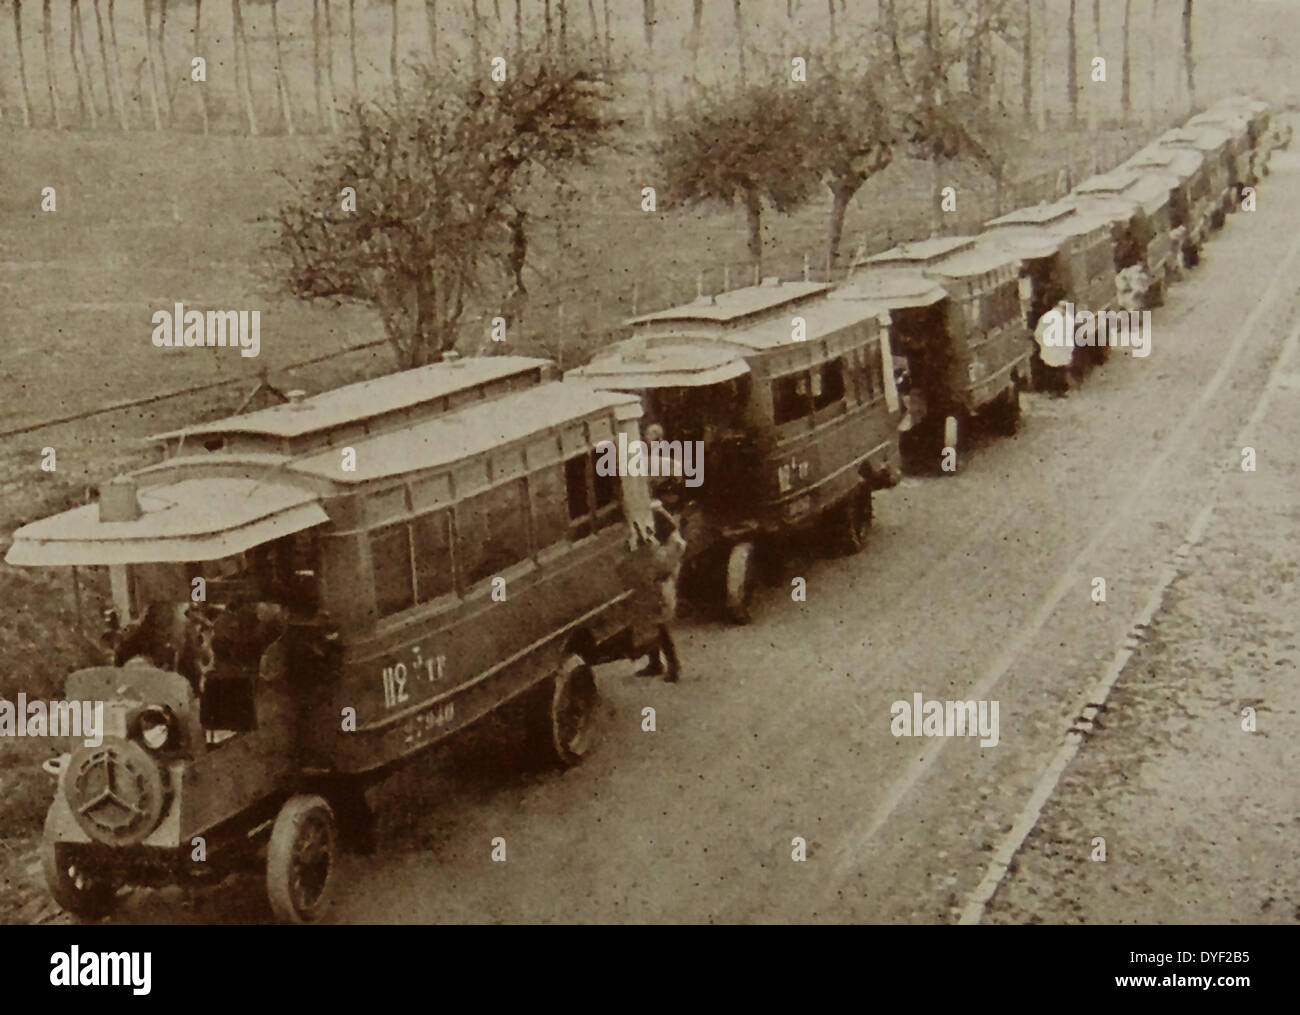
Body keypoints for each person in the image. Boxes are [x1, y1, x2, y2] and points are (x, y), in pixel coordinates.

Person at [633, 504, 686, 682]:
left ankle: (674, 667)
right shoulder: (648, 512)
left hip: (661, 580)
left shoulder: (657, 516)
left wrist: (656, 557)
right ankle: (655, 663)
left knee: (661, 626)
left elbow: (675, 549)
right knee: (649, 623)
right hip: (652, 578)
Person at [1033, 300, 1073, 398]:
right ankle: (1057, 391)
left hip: (1053, 349)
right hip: (1055, 349)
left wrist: (1042, 344)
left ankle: (1056, 391)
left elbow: (1038, 333)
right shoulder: (1063, 319)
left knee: (1055, 371)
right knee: (1057, 371)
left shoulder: (1048, 318)